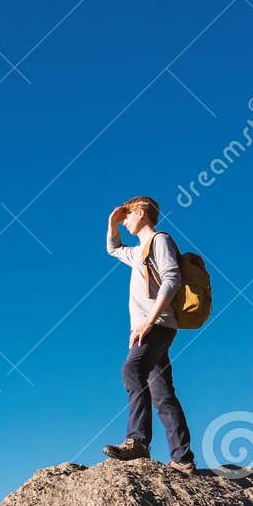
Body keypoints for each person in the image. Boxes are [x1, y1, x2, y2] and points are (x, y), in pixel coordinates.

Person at [102, 196, 195, 473]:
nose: (126, 219)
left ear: (142, 212)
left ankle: (138, 441)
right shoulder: (140, 250)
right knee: (162, 393)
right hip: (151, 327)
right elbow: (113, 248)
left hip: (157, 325)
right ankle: (183, 459)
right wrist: (112, 223)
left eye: (128, 214)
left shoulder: (160, 240)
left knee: (131, 370)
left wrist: (148, 322)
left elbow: (173, 278)